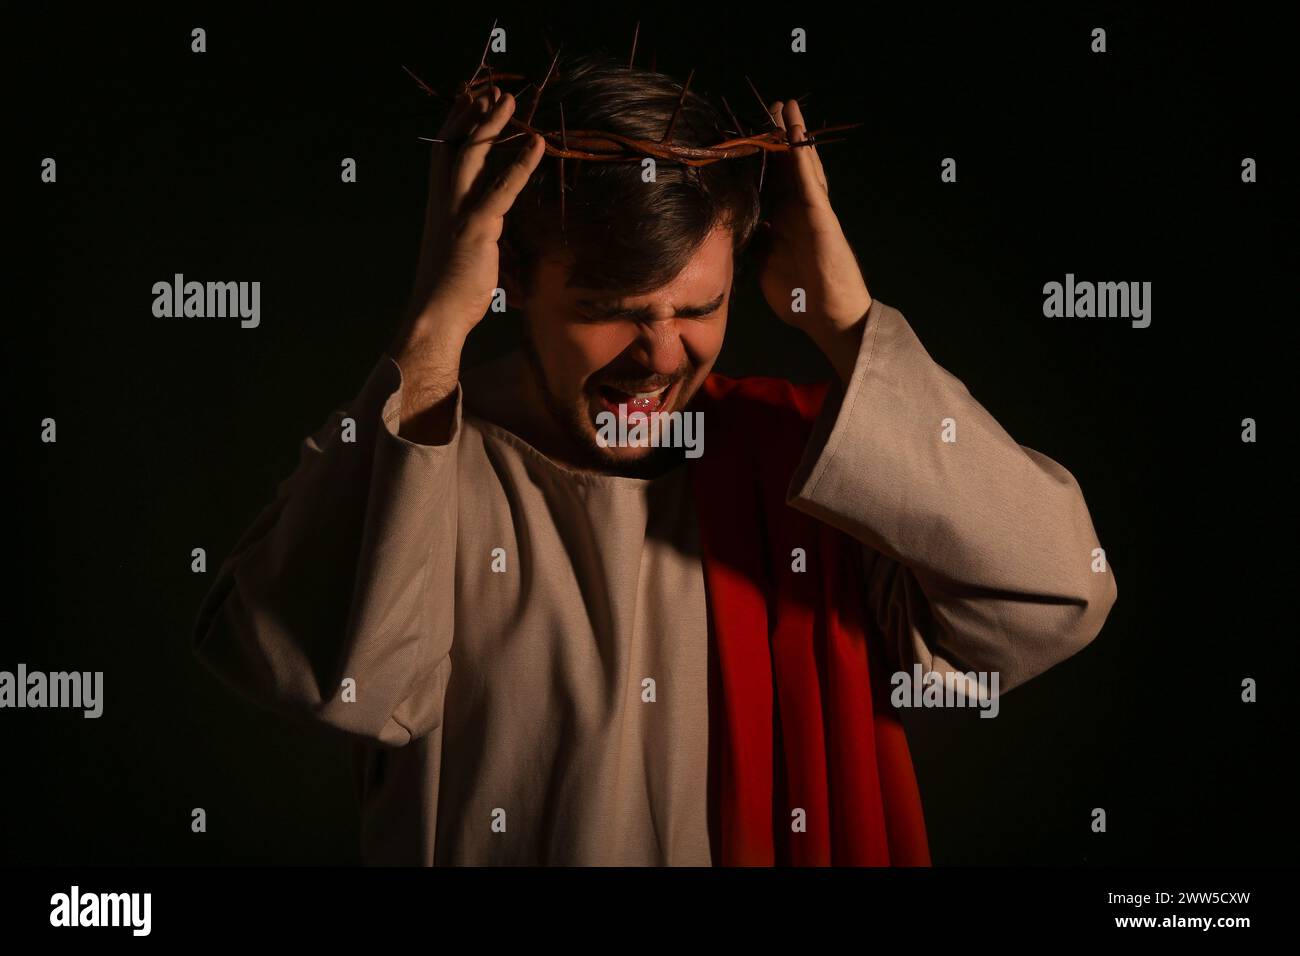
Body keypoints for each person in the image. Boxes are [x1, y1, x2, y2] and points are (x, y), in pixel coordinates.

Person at [192, 54, 1117, 866]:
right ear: (508, 279)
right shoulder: (420, 468)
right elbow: (323, 677)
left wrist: (848, 326)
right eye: (618, 309)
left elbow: (1056, 592)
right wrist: (433, 334)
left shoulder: (823, 479)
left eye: (697, 309)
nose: (662, 355)